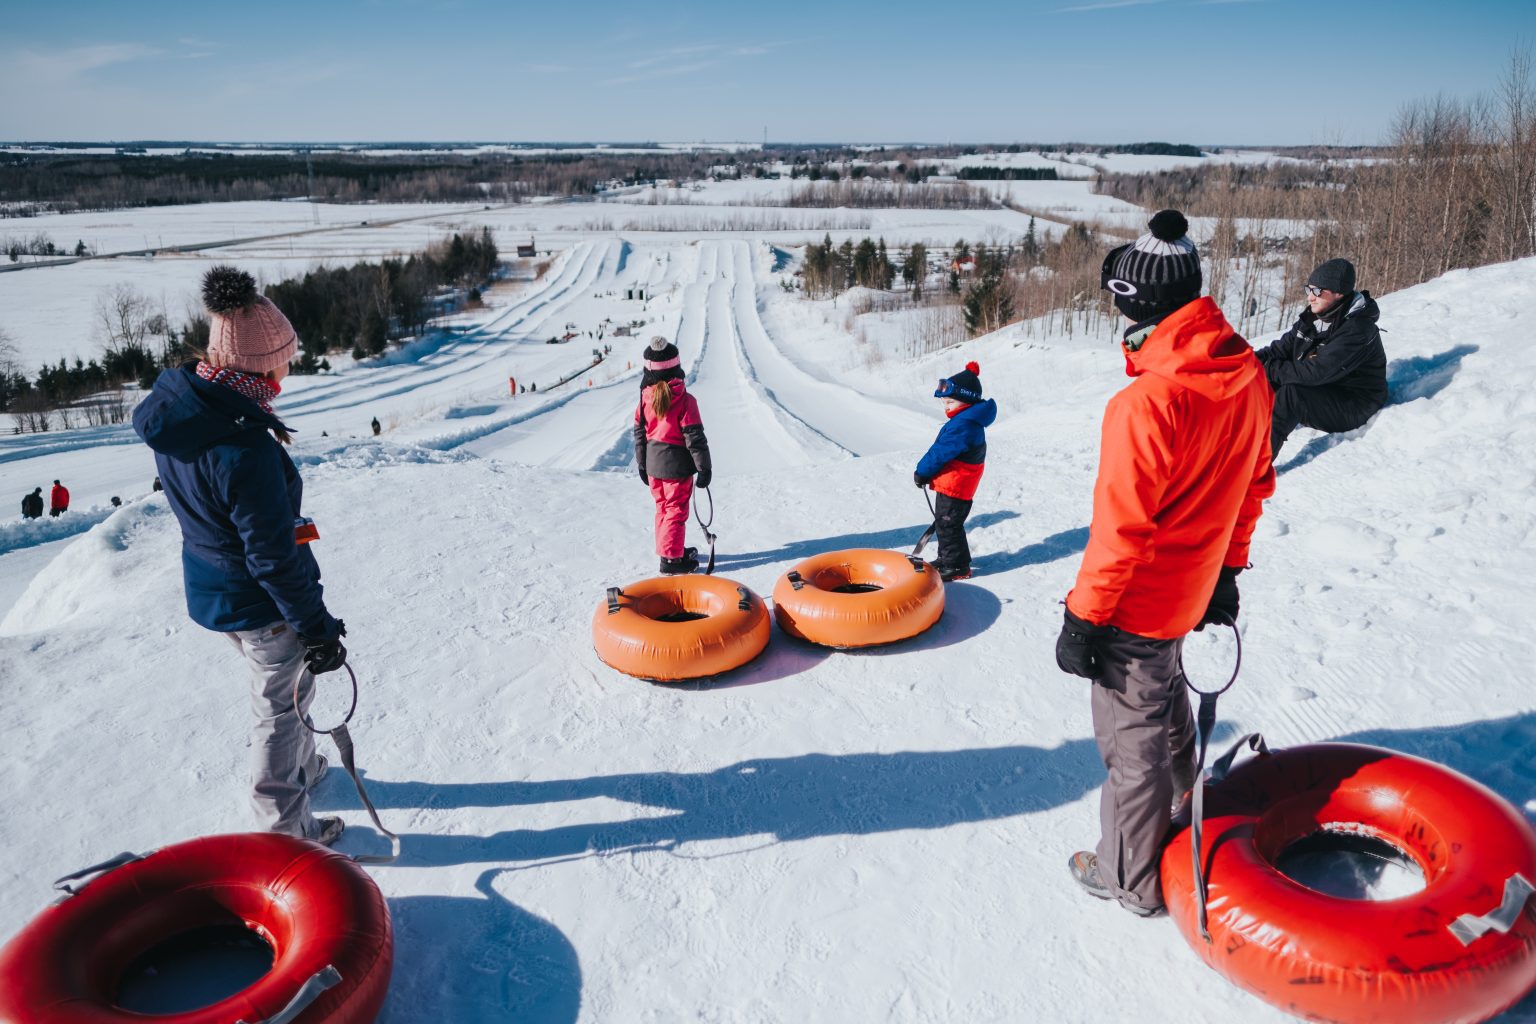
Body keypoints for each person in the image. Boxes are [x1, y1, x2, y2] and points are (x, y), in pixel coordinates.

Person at [1057, 210, 1275, 917]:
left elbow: (1121, 529)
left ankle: (1132, 879)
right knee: (1160, 700)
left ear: (1140, 306)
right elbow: (1253, 485)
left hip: (1139, 605)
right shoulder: (1243, 371)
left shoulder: (1146, 403)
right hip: (1189, 592)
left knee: (1132, 744)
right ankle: (1189, 801)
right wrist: (1227, 572)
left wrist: (1084, 619)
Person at [132, 265, 347, 847]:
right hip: (260, 603)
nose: (289, 368)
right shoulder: (242, 448)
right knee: (279, 709)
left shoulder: (189, 414)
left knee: (293, 691)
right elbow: (273, 559)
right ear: (261, 364)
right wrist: (317, 627)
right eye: (285, 358)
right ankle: (286, 829)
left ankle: (303, 773)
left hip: (213, 585)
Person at [1254, 258, 1387, 457]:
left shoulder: (1357, 328)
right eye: (1308, 290)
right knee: (1258, 380)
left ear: (1338, 293)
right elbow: (1279, 350)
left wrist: (1267, 368)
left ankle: (1253, 469)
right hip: (1327, 388)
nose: (1310, 298)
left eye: (1317, 291)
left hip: (1354, 403)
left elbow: (1317, 371)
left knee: (1292, 393)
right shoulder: (1314, 317)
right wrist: (1244, 361)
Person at [632, 337, 710, 575]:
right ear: (677, 368)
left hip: (654, 465)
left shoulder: (645, 399)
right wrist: (704, 468)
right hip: (677, 467)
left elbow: (639, 433)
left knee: (664, 508)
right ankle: (671, 561)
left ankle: (670, 550)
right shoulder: (685, 401)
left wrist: (642, 464)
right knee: (676, 510)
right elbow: (694, 437)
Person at [914, 361, 997, 581]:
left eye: (950, 401)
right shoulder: (966, 420)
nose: (946, 406)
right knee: (945, 523)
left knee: (948, 525)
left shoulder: (964, 425)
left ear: (967, 399)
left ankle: (957, 567)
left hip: (956, 486)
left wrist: (922, 471)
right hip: (954, 483)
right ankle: (947, 559)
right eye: (944, 402)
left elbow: (941, 452)